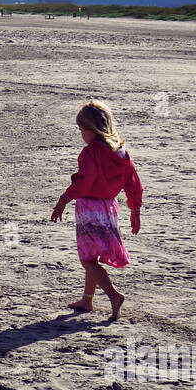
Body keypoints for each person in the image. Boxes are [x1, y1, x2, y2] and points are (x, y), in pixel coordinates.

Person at [49, 100, 143, 321]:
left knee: (87, 259)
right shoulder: (121, 154)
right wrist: (135, 211)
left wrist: (63, 199)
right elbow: (134, 184)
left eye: (81, 130)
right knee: (92, 256)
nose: (81, 134)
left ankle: (113, 294)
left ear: (92, 130)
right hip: (109, 208)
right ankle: (87, 299)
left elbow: (85, 181)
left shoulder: (90, 153)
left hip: (90, 207)